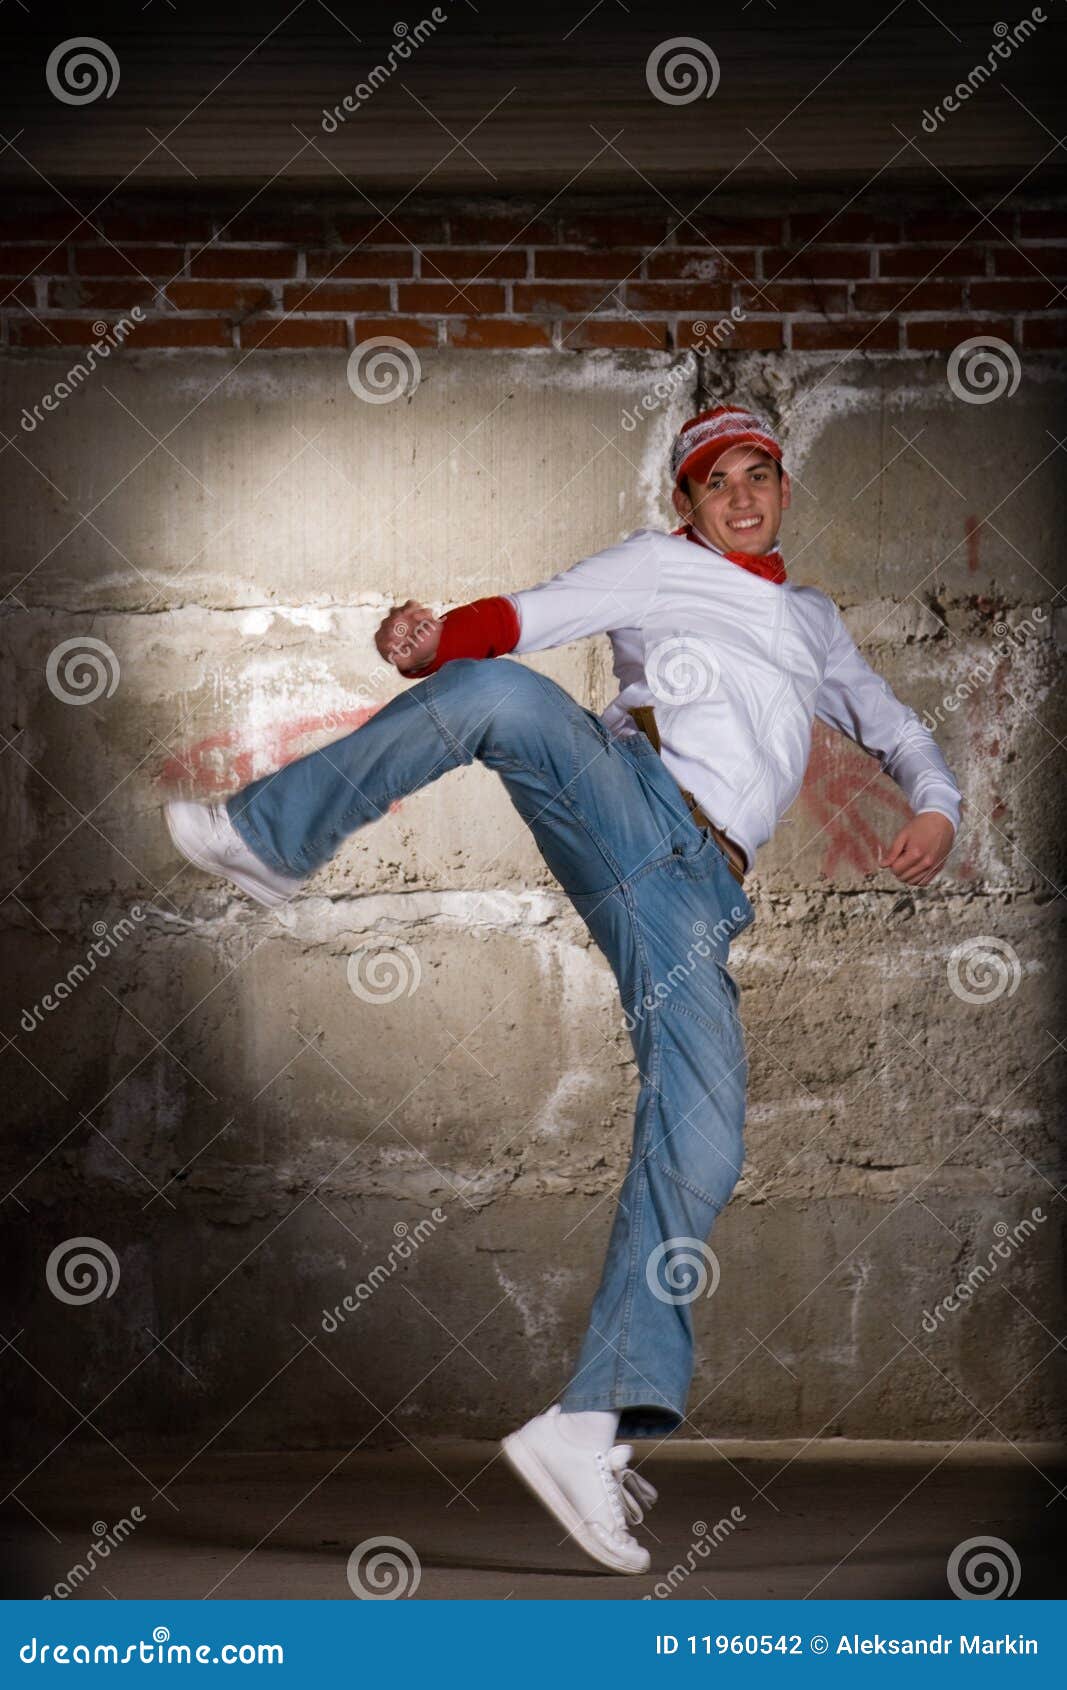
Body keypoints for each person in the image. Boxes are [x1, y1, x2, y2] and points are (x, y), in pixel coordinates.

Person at [163, 404, 962, 1576]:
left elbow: (895, 730)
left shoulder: (811, 622)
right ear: (685, 502)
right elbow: (525, 617)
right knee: (501, 692)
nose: (741, 497)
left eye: (758, 475)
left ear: (782, 488)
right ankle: (266, 834)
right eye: (716, 482)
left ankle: (585, 1426)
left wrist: (935, 805)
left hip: (698, 895)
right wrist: (433, 640)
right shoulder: (655, 566)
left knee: (704, 1139)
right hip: (630, 800)